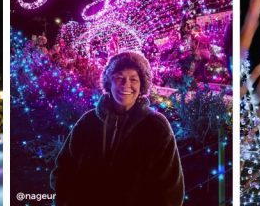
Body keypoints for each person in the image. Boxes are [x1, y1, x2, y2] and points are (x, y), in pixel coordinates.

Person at [51, 51, 184, 206]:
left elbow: (170, 190)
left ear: (142, 85)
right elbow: (64, 169)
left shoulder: (156, 127)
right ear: (109, 82)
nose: (126, 84)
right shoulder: (89, 121)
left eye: (133, 79)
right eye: (119, 78)